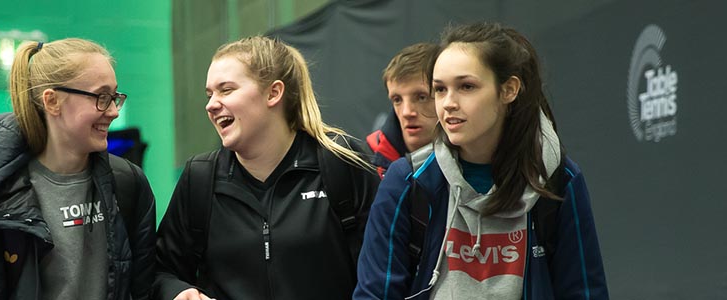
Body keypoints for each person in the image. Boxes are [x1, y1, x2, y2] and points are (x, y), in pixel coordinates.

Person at [354, 23, 608, 300]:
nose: (448, 103)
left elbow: (584, 292)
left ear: (509, 90)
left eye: (466, 86)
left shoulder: (559, 179)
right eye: (439, 90)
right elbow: (375, 293)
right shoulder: (407, 181)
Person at [155, 36, 380, 300]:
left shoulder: (340, 162)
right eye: (209, 94)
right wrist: (179, 292)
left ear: (273, 93)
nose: (211, 105)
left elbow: (384, 271)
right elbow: (160, 272)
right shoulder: (200, 178)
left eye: (226, 90)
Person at [0, 38, 156, 300]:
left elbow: (145, 288)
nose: (113, 111)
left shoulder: (127, 182)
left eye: (114, 97)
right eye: (101, 97)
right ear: (52, 102)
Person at [367, 43, 440, 178]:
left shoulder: (480, 157)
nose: (407, 112)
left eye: (421, 97)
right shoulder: (365, 162)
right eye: (397, 99)